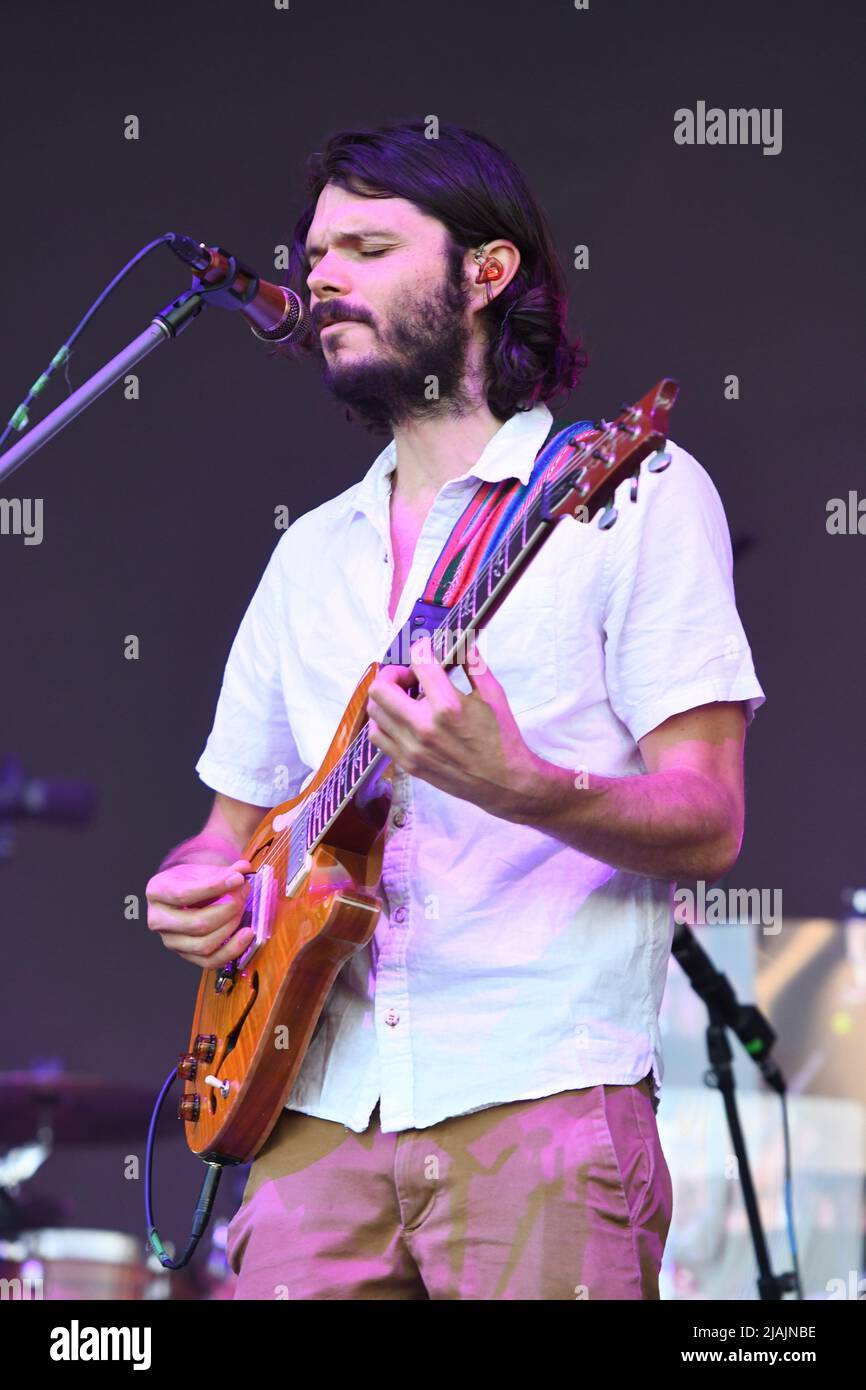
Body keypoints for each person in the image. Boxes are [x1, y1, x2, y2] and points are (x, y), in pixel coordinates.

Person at [146, 119, 765, 1300]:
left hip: (534, 1097)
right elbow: (226, 836)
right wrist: (199, 890)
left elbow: (710, 816)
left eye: (367, 246)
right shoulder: (308, 557)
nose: (320, 275)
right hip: (309, 1116)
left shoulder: (633, 495)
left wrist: (520, 786)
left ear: (487, 274)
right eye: (314, 251)